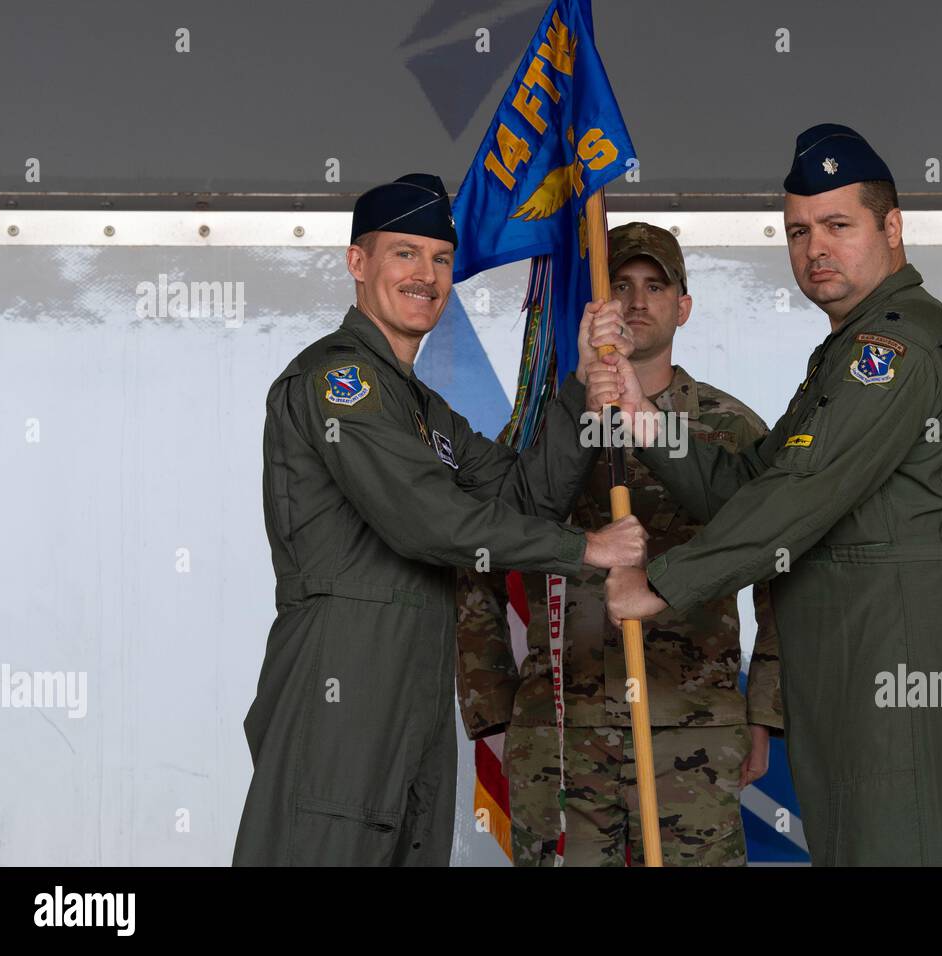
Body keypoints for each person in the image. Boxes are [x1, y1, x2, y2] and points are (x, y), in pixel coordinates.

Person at [600, 126, 942, 866]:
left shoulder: (894, 349)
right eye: (799, 231)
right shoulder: (847, 349)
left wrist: (660, 586)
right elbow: (752, 482)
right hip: (858, 651)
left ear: (891, 228)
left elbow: (800, 493)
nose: (815, 249)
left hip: (904, 651)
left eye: (837, 226)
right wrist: (645, 419)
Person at [233, 173, 646, 866]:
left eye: (440, 259)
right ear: (358, 263)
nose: (426, 275)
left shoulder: (421, 408)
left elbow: (517, 497)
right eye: (404, 253)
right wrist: (586, 549)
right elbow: (427, 521)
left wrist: (578, 391)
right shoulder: (342, 382)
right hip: (344, 671)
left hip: (416, 678)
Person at [456, 222, 783, 866]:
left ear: (682, 306)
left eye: (655, 285)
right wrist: (493, 709)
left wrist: (763, 710)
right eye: (620, 286)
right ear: (594, 308)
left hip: (691, 719)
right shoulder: (542, 428)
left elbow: (777, 569)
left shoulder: (730, 429)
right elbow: (480, 555)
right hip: (559, 728)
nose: (635, 302)